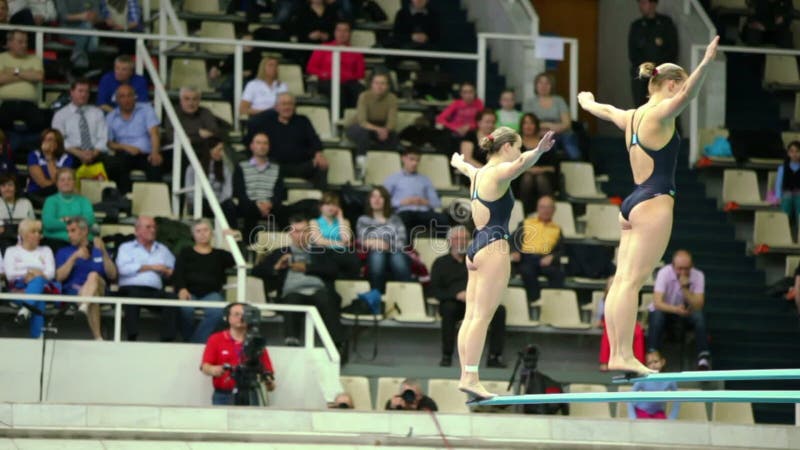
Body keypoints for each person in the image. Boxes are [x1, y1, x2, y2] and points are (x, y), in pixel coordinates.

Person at [577, 35, 718, 375]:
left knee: (622, 279)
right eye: (678, 85)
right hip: (654, 201)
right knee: (629, 282)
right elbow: (689, 94)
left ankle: (618, 353)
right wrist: (706, 61)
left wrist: (588, 102)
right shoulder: (660, 114)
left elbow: (605, 110)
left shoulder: (633, 116)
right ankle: (621, 354)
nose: (679, 92)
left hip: (632, 202)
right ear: (670, 83)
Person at [448, 126, 556, 399]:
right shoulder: (497, 173)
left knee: (471, 316)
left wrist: (459, 163)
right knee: (481, 318)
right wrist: (537, 152)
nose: (518, 152)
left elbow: (468, 170)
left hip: (476, 247)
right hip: (494, 246)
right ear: (506, 147)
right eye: (517, 146)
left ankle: (466, 374)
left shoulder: (479, 174)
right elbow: (519, 165)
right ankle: (471, 377)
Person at [252, 215, 349, 347]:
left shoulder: (320, 251)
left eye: (304, 231)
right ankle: (292, 342)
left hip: (318, 290)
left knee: (326, 299)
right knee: (292, 299)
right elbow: (255, 271)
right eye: (297, 231)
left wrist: (307, 268)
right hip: (292, 291)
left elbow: (333, 270)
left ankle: (338, 343)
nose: (301, 235)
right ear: (290, 233)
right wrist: (276, 267)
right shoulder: (280, 252)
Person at [429, 225, 506, 368]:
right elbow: (434, 291)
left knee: (499, 311)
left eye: (465, 239)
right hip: (454, 303)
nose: (462, 242)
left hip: (477, 303)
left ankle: (494, 357)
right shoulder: (440, 263)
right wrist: (456, 295)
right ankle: (447, 355)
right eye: (458, 239)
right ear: (450, 241)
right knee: (448, 309)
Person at [245, 93, 327, 188]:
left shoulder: (303, 121)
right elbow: (249, 141)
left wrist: (318, 154)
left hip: (300, 165)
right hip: (275, 165)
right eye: (284, 104)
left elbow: (314, 140)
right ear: (276, 107)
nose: (287, 107)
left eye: (290, 104)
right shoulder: (265, 123)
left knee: (322, 165)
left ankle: (322, 200)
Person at [201, 303, 276, 406]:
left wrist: (269, 382)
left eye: (244, 314)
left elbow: (268, 370)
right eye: (236, 314)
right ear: (228, 318)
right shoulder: (215, 339)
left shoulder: (256, 340)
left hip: (250, 393)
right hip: (223, 395)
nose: (241, 317)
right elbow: (205, 366)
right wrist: (214, 370)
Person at [174, 219, 236, 344]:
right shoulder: (186, 252)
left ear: (212, 233)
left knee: (218, 311)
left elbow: (235, 259)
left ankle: (192, 343)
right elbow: (178, 273)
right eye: (198, 231)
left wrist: (229, 239)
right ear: (193, 235)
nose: (202, 234)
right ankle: (192, 341)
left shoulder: (219, 254)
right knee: (185, 310)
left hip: (212, 293)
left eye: (206, 230)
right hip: (189, 292)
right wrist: (181, 288)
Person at [55, 216, 116, 340]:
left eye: (72, 231)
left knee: (93, 275)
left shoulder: (98, 249)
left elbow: (113, 275)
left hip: (100, 286)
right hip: (77, 292)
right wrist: (74, 257)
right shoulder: (63, 252)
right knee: (92, 296)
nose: (69, 235)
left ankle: (83, 305)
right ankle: (98, 338)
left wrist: (104, 252)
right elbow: (59, 278)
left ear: (84, 231)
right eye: (68, 231)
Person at [116, 215, 176, 342]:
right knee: (133, 295)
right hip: (131, 288)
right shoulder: (126, 248)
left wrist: (167, 271)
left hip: (154, 291)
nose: (153, 230)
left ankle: (167, 340)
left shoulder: (162, 249)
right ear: (137, 230)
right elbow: (123, 269)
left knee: (171, 299)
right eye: (148, 227)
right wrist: (152, 267)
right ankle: (131, 338)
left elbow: (174, 269)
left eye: (154, 227)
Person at [649, 250, 710, 370]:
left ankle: (703, 357)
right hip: (667, 312)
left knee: (699, 317)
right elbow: (657, 303)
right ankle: (652, 355)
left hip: (687, 314)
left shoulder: (698, 276)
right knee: (657, 315)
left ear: (691, 266)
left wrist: (685, 288)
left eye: (686, 268)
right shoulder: (664, 273)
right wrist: (676, 309)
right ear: (673, 266)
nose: (683, 272)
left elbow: (699, 305)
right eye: (679, 269)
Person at [4, 218, 56, 338]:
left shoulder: (46, 250)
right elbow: (10, 274)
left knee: (37, 282)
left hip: (42, 286)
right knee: (38, 299)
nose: (38, 235)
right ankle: (37, 339)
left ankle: (25, 311)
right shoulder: (11, 251)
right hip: (18, 289)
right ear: (23, 234)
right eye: (34, 231)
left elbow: (51, 273)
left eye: (39, 232)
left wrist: (34, 275)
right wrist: (30, 272)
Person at [106, 84, 162, 194]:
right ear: (117, 99)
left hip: (146, 154)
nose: (126, 99)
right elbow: (109, 143)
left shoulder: (146, 110)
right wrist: (125, 147)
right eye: (122, 96)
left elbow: (154, 133)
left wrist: (155, 152)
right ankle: (125, 200)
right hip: (124, 154)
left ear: (135, 97)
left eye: (129, 95)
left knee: (155, 165)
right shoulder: (110, 117)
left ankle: (154, 205)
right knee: (116, 166)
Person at [356, 186, 412, 293]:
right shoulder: (363, 220)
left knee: (398, 258)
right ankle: (377, 296)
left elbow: (401, 240)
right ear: (369, 200)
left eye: (380, 197)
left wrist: (386, 245)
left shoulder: (395, 219)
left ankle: (406, 294)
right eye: (373, 196)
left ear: (385, 201)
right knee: (378, 255)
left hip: (394, 251)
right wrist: (377, 244)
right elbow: (362, 240)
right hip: (372, 253)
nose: (376, 200)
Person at [383, 148, 448, 239]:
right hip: (404, 211)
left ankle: (438, 248)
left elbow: (437, 203)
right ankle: (407, 250)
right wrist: (402, 202)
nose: (415, 163)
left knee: (443, 219)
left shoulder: (425, 180)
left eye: (417, 160)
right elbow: (384, 201)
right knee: (402, 220)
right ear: (403, 158)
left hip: (423, 212)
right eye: (411, 159)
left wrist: (425, 202)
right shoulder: (393, 178)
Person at [232, 132, 285, 240]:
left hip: (270, 205)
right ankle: (249, 246)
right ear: (252, 146)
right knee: (249, 210)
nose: (262, 146)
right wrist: (257, 204)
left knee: (285, 211)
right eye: (258, 143)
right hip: (249, 204)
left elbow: (279, 191)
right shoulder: (241, 166)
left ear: (269, 147)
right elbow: (239, 191)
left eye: (265, 143)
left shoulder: (276, 167)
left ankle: (285, 247)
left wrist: (270, 203)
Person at [512, 195, 565, 302]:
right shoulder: (526, 223)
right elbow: (513, 240)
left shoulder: (557, 229)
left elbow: (562, 250)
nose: (545, 210)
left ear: (554, 210)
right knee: (527, 272)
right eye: (542, 207)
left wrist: (553, 257)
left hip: (545, 259)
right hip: (526, 258)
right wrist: (514, 251)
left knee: (558, 274)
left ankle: (552, 303)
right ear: (537, 208)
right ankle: (535, 302)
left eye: (548, 207)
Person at [628, 0, 678, 107]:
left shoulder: (665, 24)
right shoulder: (636, 26)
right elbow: (633, 54)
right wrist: (646, 70)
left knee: (663, 109)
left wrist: (657, 70)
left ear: (653, 4)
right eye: (640, 3)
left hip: (661, 76)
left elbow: (672, 51)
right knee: (641, 111)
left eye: (644, 3)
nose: (641, 6)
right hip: (642, 77)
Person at [306, 20, 365, 109]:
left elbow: (360, 73)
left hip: (348, 82)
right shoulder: (324, 47)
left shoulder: (356, 52)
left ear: (350, 33)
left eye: (345, 31)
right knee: (338, 89)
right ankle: (339, 120)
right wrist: (324, 74)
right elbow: (310, 68)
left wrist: (346, 77)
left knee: (359, 91)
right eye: (339, 30)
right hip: (327, 81)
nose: (342, 33)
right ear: (334, 32)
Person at [51, 78, 109, 168]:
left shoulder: (97, 113)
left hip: (95, 152)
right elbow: (59, 140)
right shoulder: (60, 115)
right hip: (72, 152)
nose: (84, 95)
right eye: (80, 91)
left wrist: (94, 153)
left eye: (86, 92)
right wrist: (79, 153)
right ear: (72, 92)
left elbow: (103, 137)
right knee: (67, 164)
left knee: (116, 165)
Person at [523, 72, 581, 161]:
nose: (543, 86)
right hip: (538, 134)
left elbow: (567, 124)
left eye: (547, 83)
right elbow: (528, 124)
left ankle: (578, 166)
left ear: (551, 86)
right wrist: (550, 126)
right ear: (536, 85)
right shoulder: (529, 103)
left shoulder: (559, 101)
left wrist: (546, 126)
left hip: (561, 134)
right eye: (540, 83)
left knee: (569, 144)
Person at [0, 30, 46, 133]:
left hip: (29, 104)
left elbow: (39, 76)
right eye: (20, 42)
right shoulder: (1, 58)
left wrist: (14, 71)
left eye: (26, 42)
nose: (24, 45)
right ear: (10, 43)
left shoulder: (34, 59)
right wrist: (27, 74)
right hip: (6, 104)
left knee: (40, 122)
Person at [345, 72, 399, 159]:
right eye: (376, 83)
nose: (379, 86)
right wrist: (379, 130)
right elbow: (362, 121)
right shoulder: (364, 96)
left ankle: (385, 161)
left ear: (388, 86)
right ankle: (361, 163)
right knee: (363, 135)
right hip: (359, 126)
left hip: (381, 126)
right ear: (371, 84)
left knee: (393, 136)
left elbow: (392, 122)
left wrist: (385, 130)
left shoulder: (392, 99)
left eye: (383, 83)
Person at [596, 277, 645, 371]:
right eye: (612, 284)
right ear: (607, 288)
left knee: (638, 332)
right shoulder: (604, 301)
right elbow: (600, 317)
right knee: (609, 333)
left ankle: (638, 362)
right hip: (609, 321)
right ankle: (605, 361)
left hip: (626, 322)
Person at [184, 136, 236, 225]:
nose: (222, 153)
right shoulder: (193, 168)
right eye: (219, 149)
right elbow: (189, 192)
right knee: (201, 204)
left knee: (230, 205)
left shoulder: (225, 168)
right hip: (201, 202)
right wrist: (209, 203)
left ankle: (231, 236)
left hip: (219, 203)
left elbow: (228, 191)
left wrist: (217, 204)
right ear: (210, 150)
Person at [41, 168, 95, 247]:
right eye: (62, 180)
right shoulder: (50, 200)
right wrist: (77, 222)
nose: (66, 182)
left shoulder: (84, 201)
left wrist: (66, 220)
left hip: (82, 240)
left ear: (74, 182)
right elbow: (48, 223)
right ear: (57, 183)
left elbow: (89, 220)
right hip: (56, 241)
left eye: (69, 179)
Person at [516, 113, 557, 214]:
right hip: (520, 177)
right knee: (528, 178)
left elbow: (554, 167)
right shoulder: (515, 143)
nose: (528, 126)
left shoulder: (545, 142)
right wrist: (529, 170)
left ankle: (546, 212)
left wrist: (539, 170)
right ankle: (526, 214)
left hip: (546, 176)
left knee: (540, 178)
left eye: (531, 123)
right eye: (525, 123)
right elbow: (513, 164)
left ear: (536, 125)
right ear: (521, 126)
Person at [26, 129, 75, 207]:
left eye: (50, 140)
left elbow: (62, 181)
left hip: (58, 193)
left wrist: (49, 157)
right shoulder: (34, 155)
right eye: (44, 139)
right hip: (37, 193)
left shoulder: (66, 158)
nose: (46, 142)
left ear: (57, 143)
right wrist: (47, 155)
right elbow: (42, 183)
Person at [627, 350, 680, 419]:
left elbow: (678, 398)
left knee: (663, 428)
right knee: (645, 428)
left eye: (656, 361)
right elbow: (630, 397)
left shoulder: (669, 380)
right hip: (641, 411)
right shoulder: (643, 378)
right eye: (649, 363)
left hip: (658, 412)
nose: (653, 365)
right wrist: (633, 417)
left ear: (663, 362)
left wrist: (672, 417)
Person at [55, 0, 100, 69]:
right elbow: (63, 16)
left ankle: (78, 55)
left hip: (88, 29)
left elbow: (97, 17)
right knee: (91, 34)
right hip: (67, 31)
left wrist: (93, 18)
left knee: (93, 38)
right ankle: (86, 66)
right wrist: (81, 16)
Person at [0, 173, 35, 249]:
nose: (7, 189)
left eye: (10, 185)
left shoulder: (26, 203)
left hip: (23, 240)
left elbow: (33, 226)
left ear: (15, 188)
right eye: (3, 186)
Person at [775, 140, 800, 220]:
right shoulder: (782, 168)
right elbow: (778, 184)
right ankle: (784, 227)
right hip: (786, 193)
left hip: (799, 194)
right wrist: (778, 197)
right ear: (788, 153)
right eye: (792, 151)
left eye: (797, 151)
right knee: (786, 203)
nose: (794, 154)